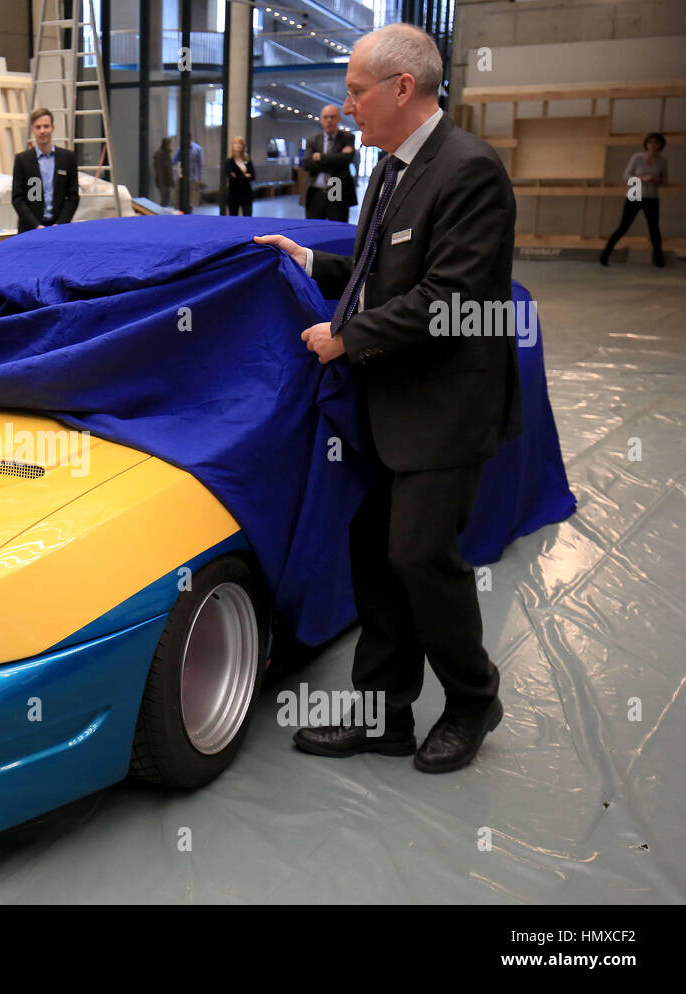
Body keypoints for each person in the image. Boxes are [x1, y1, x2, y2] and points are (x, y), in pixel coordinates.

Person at [254, 23, 521, 773]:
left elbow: (449, 301)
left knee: (420, 556)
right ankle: (384, 713)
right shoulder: (393, 169)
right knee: (374, 555)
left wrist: (347, 338)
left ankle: (472, 700)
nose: (346, 107)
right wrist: (310, 260)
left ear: (403, 88)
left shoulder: (470, 171)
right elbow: (382, 275)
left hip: (445, 409)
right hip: (388, 405)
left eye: (355, 92)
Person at [600, 133, 668, 267]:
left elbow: (665, 180)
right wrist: (642, 178)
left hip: (651, 196)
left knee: (654, 229)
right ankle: (604, 255)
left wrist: (656, 180)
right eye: (650, 142)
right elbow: (626, 176)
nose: (652, 145)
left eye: (656, 142)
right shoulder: (637, 157)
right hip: (635, 193)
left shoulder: (663, 161)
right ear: (646, 144)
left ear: (660, 145)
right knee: (624, 226)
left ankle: (659, 260)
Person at [11, 107, 80, 233]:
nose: (42, 131)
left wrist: (60, 224)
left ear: (53, 128)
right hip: (31, 230)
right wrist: (36, 226)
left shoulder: (67, 158)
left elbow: (73, 197)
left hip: (60, 229)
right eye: (38, 127)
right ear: (32, 130)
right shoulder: (23, 160)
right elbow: (18, 199)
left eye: (46, 126)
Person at [299, 104, 357, 222]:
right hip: (315, 191)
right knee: (313, 227)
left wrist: (320, 157)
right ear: (321, 119)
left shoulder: (347, 138)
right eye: (325, 117)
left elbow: (346, 159)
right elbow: (306, 163)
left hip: (336, 189)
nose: (329, 120)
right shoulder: (313, 140)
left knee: (337, 226)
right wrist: (335, 159)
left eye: (332, 117)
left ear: (339, 119)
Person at [224, 137, 255, 216]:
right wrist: (245, 176)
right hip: (234, 194)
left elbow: (253, 176)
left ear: (243, 146)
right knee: (233, 217)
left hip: (246, 193)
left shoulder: (247, 161)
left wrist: (239, 177)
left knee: (248, 216)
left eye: (240, 144)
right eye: (236, 143)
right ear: (232, 146)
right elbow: (232, 178)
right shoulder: (229, 162)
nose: (238, 145)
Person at [173, 134, 204, 207]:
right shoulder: (180, 149)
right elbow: (175, 160)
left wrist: (199, 178)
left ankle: (188, 211)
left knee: (190, 199)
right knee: (178, 197)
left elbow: (200, 165)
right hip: (181, 177)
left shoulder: (197, 149)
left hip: (192, 177)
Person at [154, 137, 176, 208]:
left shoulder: (165, 154)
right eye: (169, 144)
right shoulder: (162, 154)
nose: (171, 146)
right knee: (165, 200)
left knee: (166, 199)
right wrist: (171, 182)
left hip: (165, 181)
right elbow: (165, 169)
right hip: (164, 181)